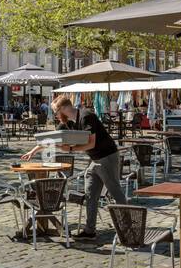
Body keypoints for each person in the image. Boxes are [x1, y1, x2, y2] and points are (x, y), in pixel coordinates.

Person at [22, 95, 124, 240]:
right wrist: (33, 151)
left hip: (106, 157)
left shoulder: (86, 117)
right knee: (90, 194)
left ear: (64, 108)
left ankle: (128, 228)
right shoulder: (67, 123)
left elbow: (91, 144)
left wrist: (70, 150)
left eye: (56, 112)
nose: (56, 116)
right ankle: (90, 231)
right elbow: (51, 139)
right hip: (94, 160)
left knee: (116, 194)